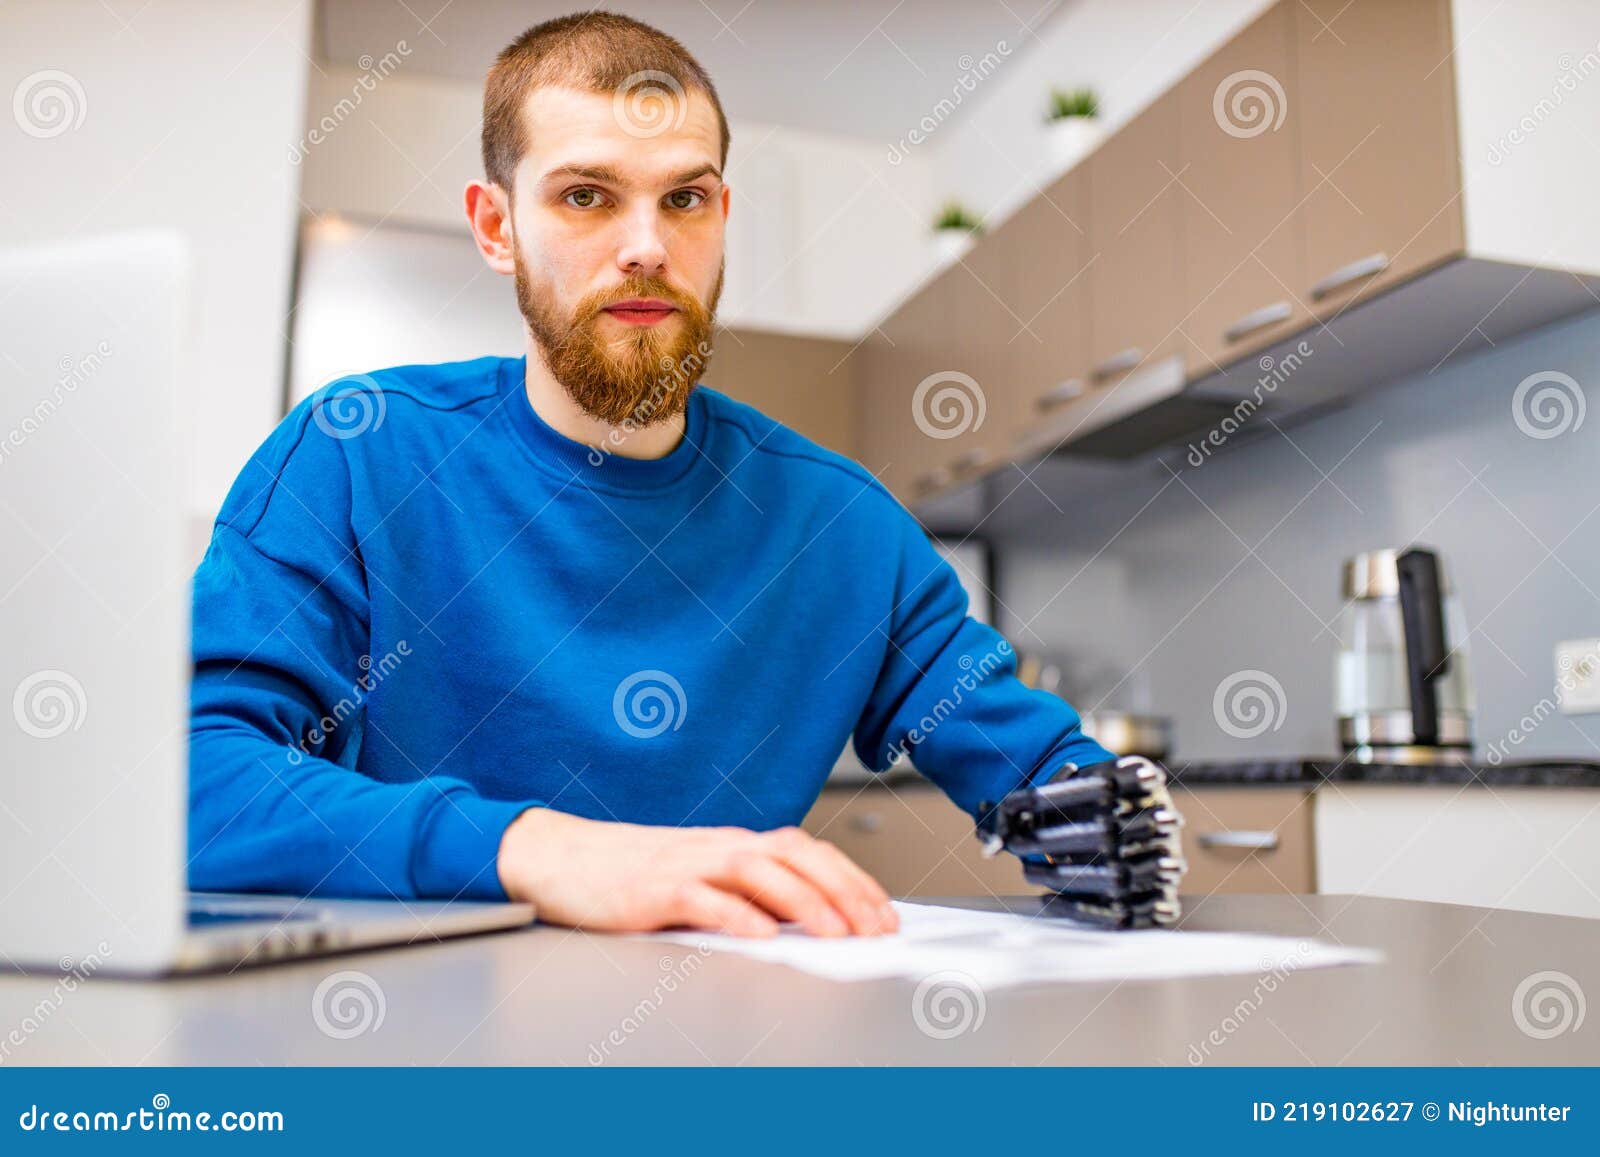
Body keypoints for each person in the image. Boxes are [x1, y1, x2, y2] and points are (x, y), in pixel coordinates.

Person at [188, 12, 1113, 939]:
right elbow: (194, 780)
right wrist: (542, 851)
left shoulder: (843, 526)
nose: (647, 246)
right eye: (586, 196)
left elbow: (1044, 777)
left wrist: (1108, 826)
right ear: (496, 226)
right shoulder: (354, 454)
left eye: (685, 199)